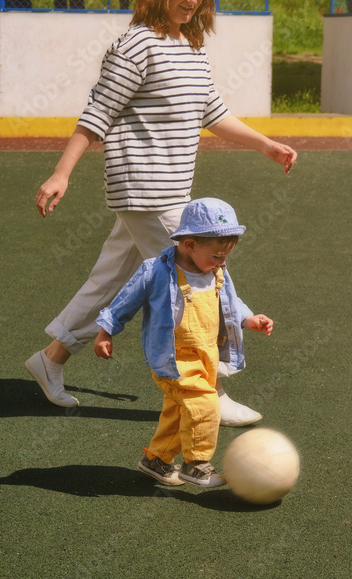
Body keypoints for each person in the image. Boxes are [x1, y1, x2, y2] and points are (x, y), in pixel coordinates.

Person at [26, 0, 296, 427]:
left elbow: (212, 111)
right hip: (144, 190)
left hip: (170, 190)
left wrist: (265, 145)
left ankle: (52, 359)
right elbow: (98, 113)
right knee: (199, 282)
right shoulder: (136, 45)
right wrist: (62, 172)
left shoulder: (190, 47)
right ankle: (209, 393)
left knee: (110, 281)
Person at [93, 198, 272, 487]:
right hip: (173, 359)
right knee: (204, 404)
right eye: (217, 256)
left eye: (225, 256)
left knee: (179, 412)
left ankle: (156, 461)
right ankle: (196, 464)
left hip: (206, 355)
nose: (222, 262)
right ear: (189, 244)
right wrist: (106, 331)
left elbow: (229, 301)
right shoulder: (156, 271)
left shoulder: (216, 271)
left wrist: (248, 319)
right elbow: (126, 300)